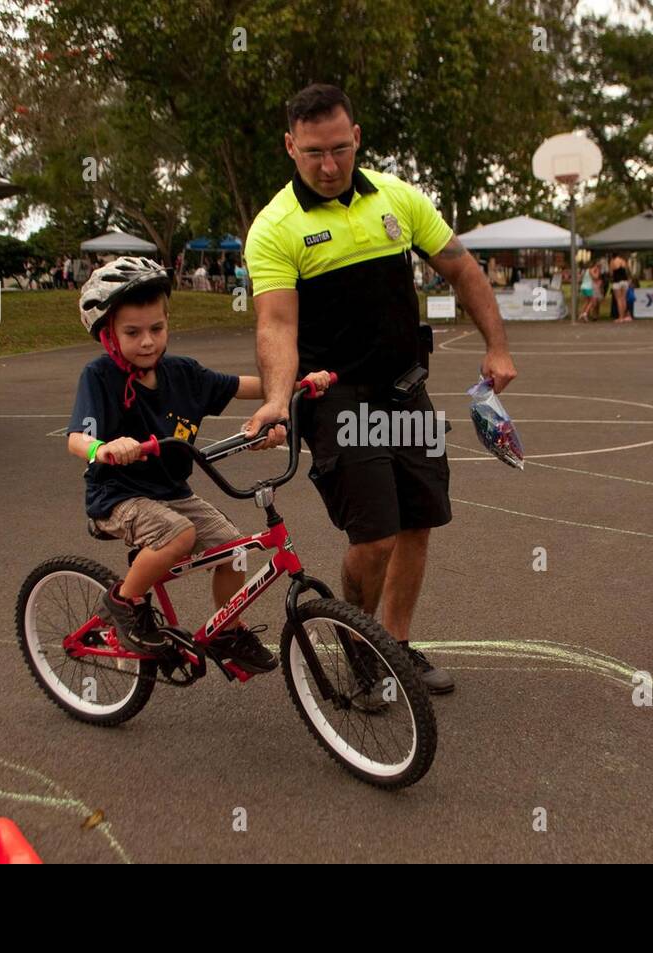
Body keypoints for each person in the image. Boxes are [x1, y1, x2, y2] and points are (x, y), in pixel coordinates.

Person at [243, 83, 517, 695]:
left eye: (340, 147)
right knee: (374, 537)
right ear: (291, 146)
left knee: (417, 523)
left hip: (405, 389)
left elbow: (461, 267)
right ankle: (361, 645)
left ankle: (396, 643)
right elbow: (277, 323)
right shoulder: (275, 228)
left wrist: (497, 346)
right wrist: (275, 398)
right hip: (335, 398)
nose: (331, 165)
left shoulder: (396, 197)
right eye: (314, 152)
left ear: (357, 136)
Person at [65, 255, 331, 668]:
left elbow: (243, 386)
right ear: (109, 335)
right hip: (118, 495)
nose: (148, 341)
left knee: (236, 549)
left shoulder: (182, 374)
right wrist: (104, 448)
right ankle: (124, 603)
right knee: (179, 535)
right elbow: (76, 439)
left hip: (172, 492)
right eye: (132, 332)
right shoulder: (100, 377)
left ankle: (227, 631)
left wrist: (294, 386)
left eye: (157, 328)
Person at [608, 253, 631, 322]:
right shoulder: (623, 261)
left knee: (619, 300)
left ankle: (620, 317)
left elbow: (611, 273)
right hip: (625, 281)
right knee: (623, 299)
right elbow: (627, 271)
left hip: (617, 281)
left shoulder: (612, 261)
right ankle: (624, 316)